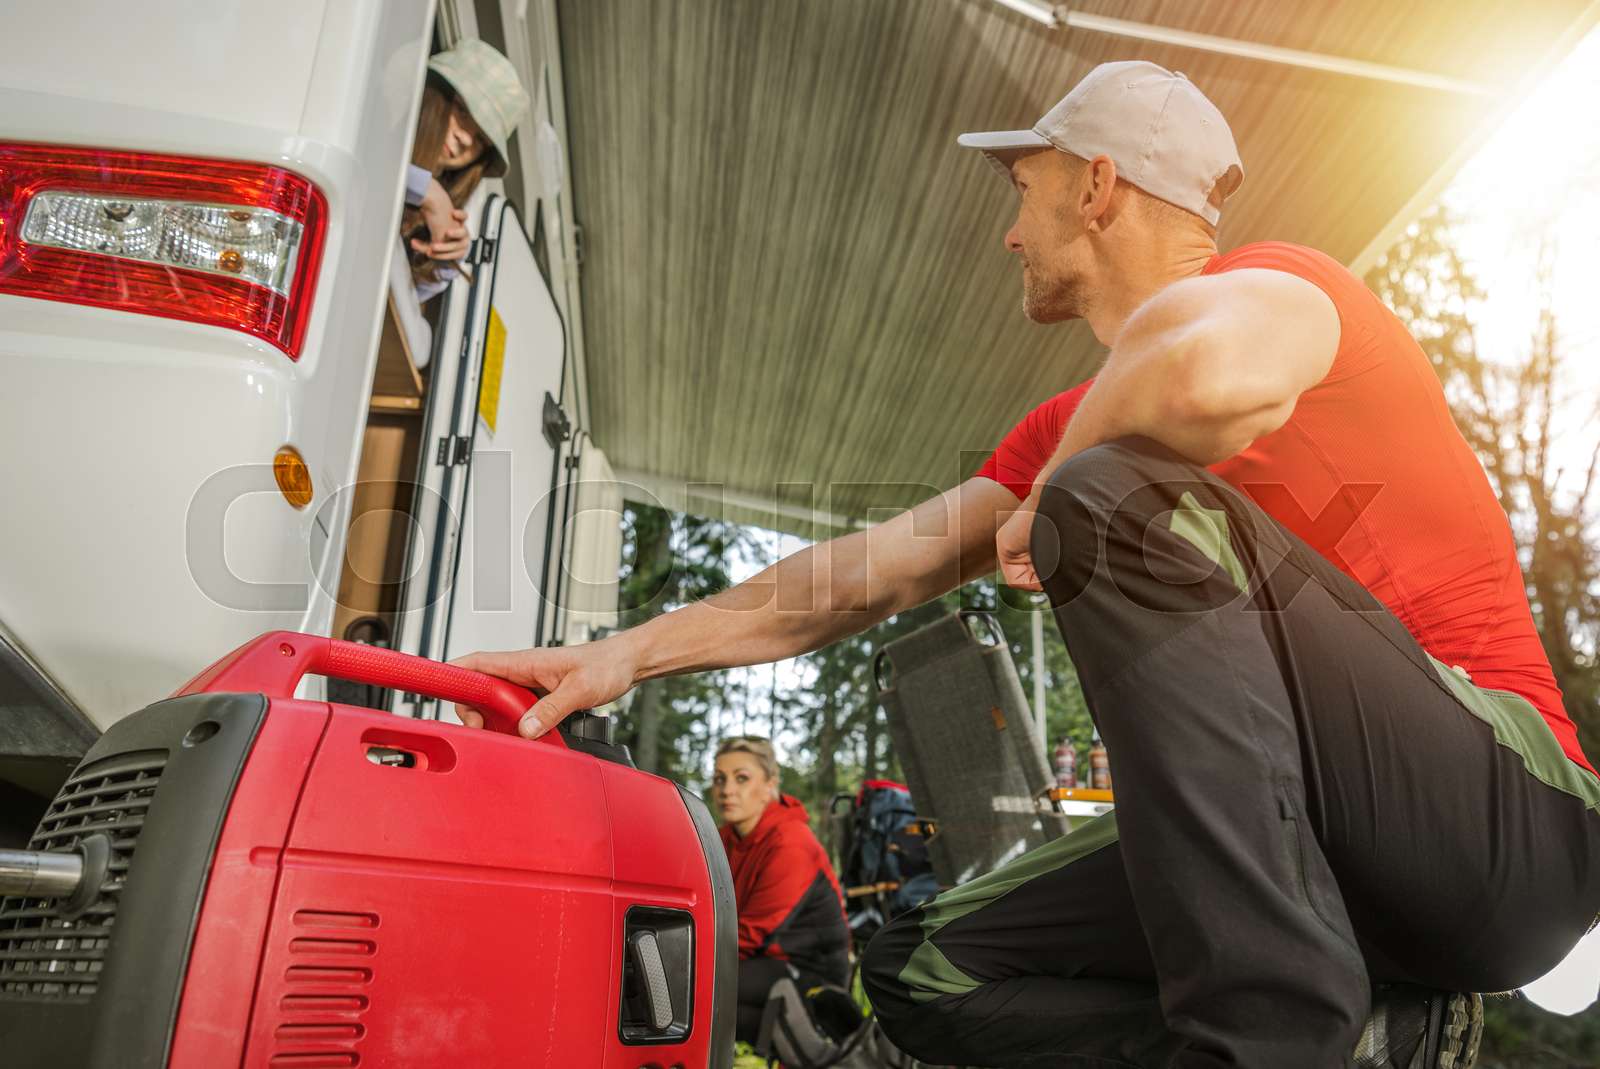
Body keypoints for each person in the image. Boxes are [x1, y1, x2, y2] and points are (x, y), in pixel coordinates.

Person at [451, 60, 1600, 1068]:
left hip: (1505, 818)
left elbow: (1201, 373)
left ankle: (1273, 1036)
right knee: (923, 967)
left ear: (1095, 186)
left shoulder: (1289, 287)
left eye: (1026, 189)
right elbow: (853, 577)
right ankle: (1368, 1034)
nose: (1011, 230)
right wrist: (624, 653)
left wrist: (1072, 482)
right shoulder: (1067, 436)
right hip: (1331, 869)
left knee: (1108, 499)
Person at [711, 736, 851, 1045]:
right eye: (719, 779)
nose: (727, 790)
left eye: (742, 778)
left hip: (809, 972)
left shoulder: (791, 842)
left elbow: (751, 934)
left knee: (700, 988)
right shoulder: (721, 839)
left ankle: (815, 1042)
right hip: (756, 958)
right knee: (694, 994)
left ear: (770, 784)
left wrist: (684, 956)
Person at [400, 39, 530, 302]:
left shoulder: (433, 216)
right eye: (462, 110)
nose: (467, 139)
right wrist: (429, 193)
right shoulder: (380, 120)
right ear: (434, 91)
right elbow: (369, 164)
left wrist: (444, 262)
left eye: (481, 139)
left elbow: (401, 312)